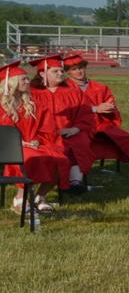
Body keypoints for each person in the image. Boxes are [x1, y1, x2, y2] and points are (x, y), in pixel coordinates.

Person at [60, 53, 129, 176]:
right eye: (74, 69)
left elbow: (110, 103)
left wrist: (110, 108)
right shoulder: (63, 89)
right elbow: (64, 110)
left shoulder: (100, 87)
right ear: (68, 72)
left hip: (100, 123)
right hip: (77, 126)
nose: (79, 72)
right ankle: (75, 178)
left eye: (81, 68)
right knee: (79, 144)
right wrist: (94, 109)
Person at [1, 58, 71, 213]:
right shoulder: (1, 106)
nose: (28, 81)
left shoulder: (33, 105)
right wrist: (20, 144)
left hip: (33, 144)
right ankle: (20, 198)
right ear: (11, 82)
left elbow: (47, 129)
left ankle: (40, 196)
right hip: (8, 149)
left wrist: (37, 140)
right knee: (31, 158)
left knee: (60, 159)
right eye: (24, 79)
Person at [30, 54, 95, 192]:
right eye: (55, 71)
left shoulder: (73, 92)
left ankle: (75, 182)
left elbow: (86, 114)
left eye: (61, 70)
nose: (61, 73)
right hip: (40, 135)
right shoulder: (31, 93)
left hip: (69, 132)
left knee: (79, 143)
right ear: (42, 73)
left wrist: (74, 129)